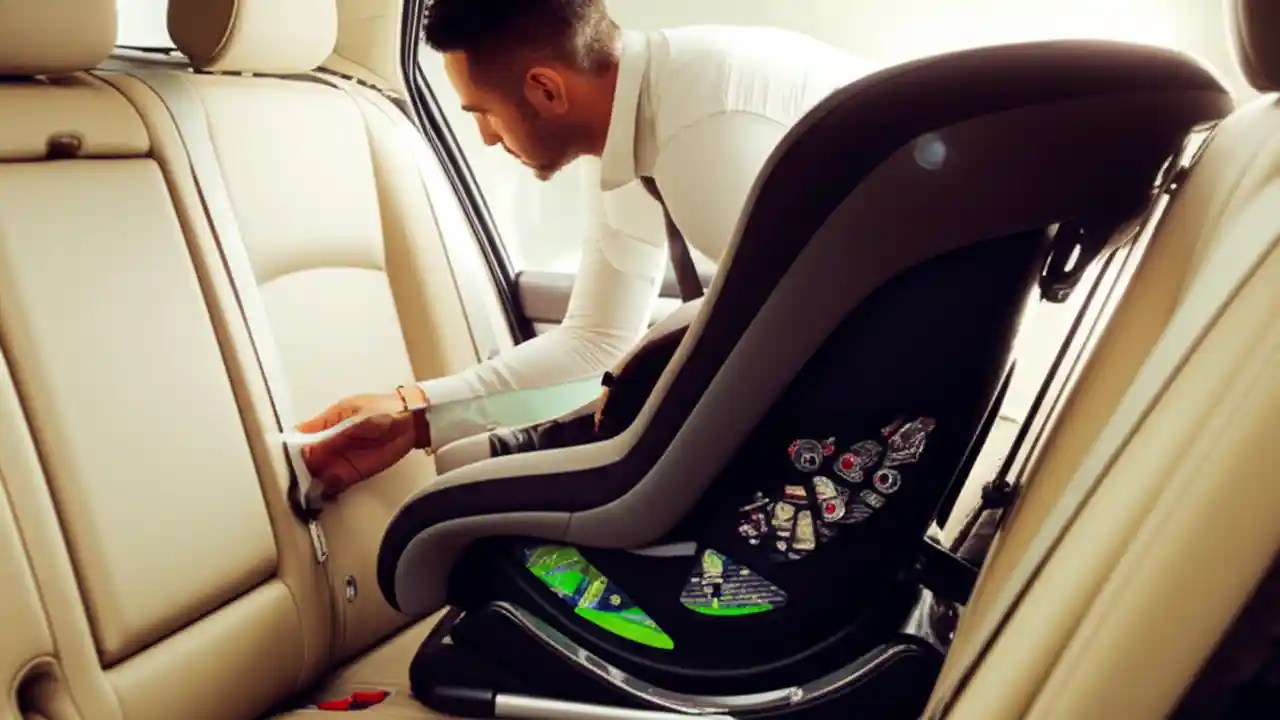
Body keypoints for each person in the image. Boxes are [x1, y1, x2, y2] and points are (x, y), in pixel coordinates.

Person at [298, 0, 876, 498]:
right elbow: (596, 341)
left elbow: (790, 344)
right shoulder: (635, 123)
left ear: (546, 89)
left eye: (485, 114)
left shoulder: (701, 138)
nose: (486, 138)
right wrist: (415, 412)